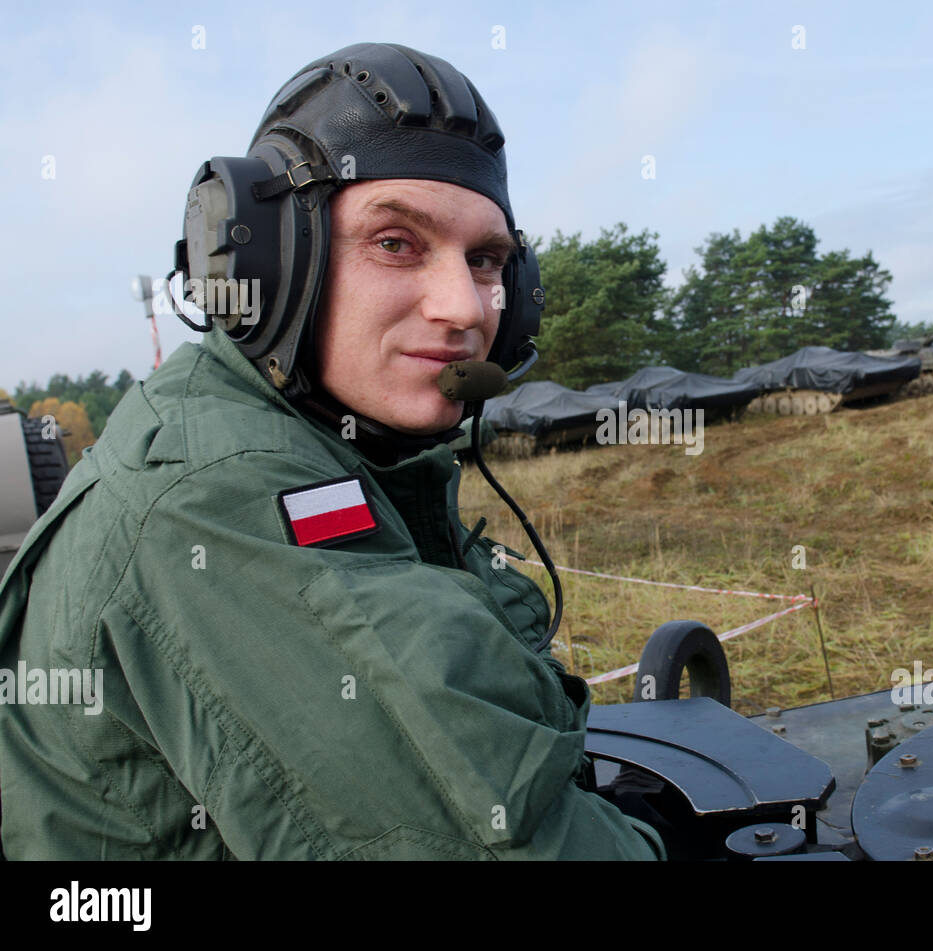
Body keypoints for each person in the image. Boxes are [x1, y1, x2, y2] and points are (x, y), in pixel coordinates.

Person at [0, 43, 664, 860]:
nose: (463, 308)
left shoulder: (314, 442)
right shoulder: (219, 494)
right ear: (268, 264)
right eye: (395, 242)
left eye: (486, 259)